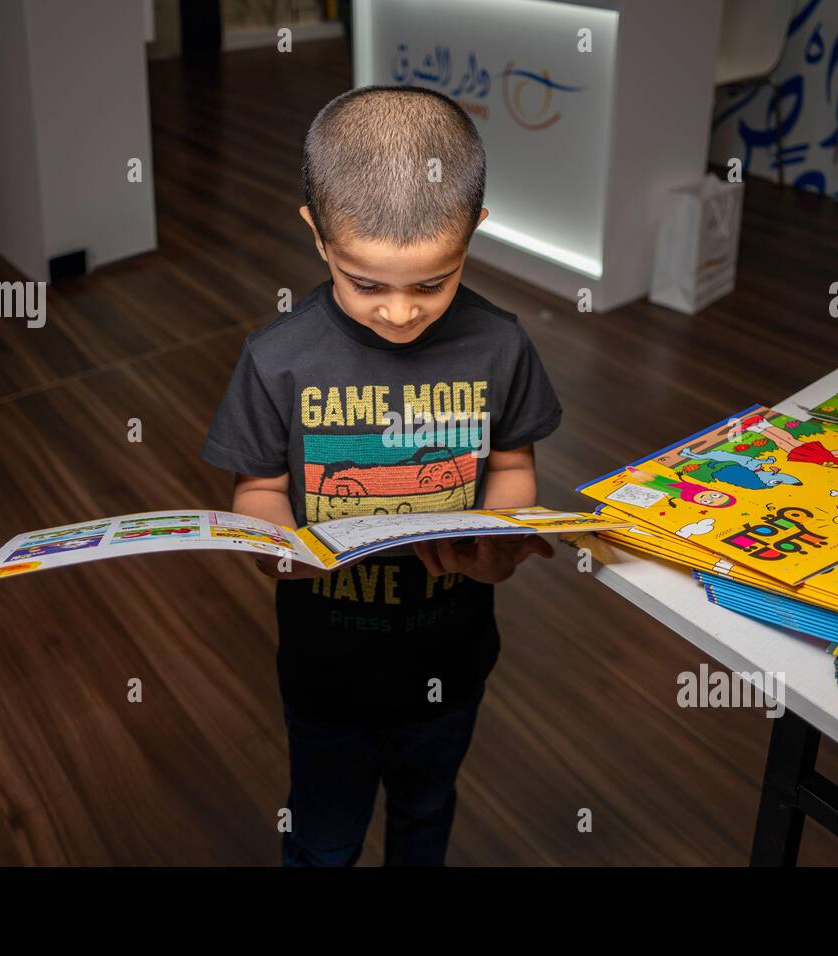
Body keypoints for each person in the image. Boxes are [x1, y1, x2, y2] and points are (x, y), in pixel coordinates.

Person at [201, 86, 563, 866]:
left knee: (426, 813)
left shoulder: (500, 345)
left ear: (474, 232)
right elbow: (259, 487)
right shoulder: (277, 359)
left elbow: (512, 464)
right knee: (323, 840)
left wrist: (499, 541)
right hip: (327, 669)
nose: (401, 313)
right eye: (366, 283)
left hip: (454, 655)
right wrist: (273, 541)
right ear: (317, 235)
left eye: (433, 282)